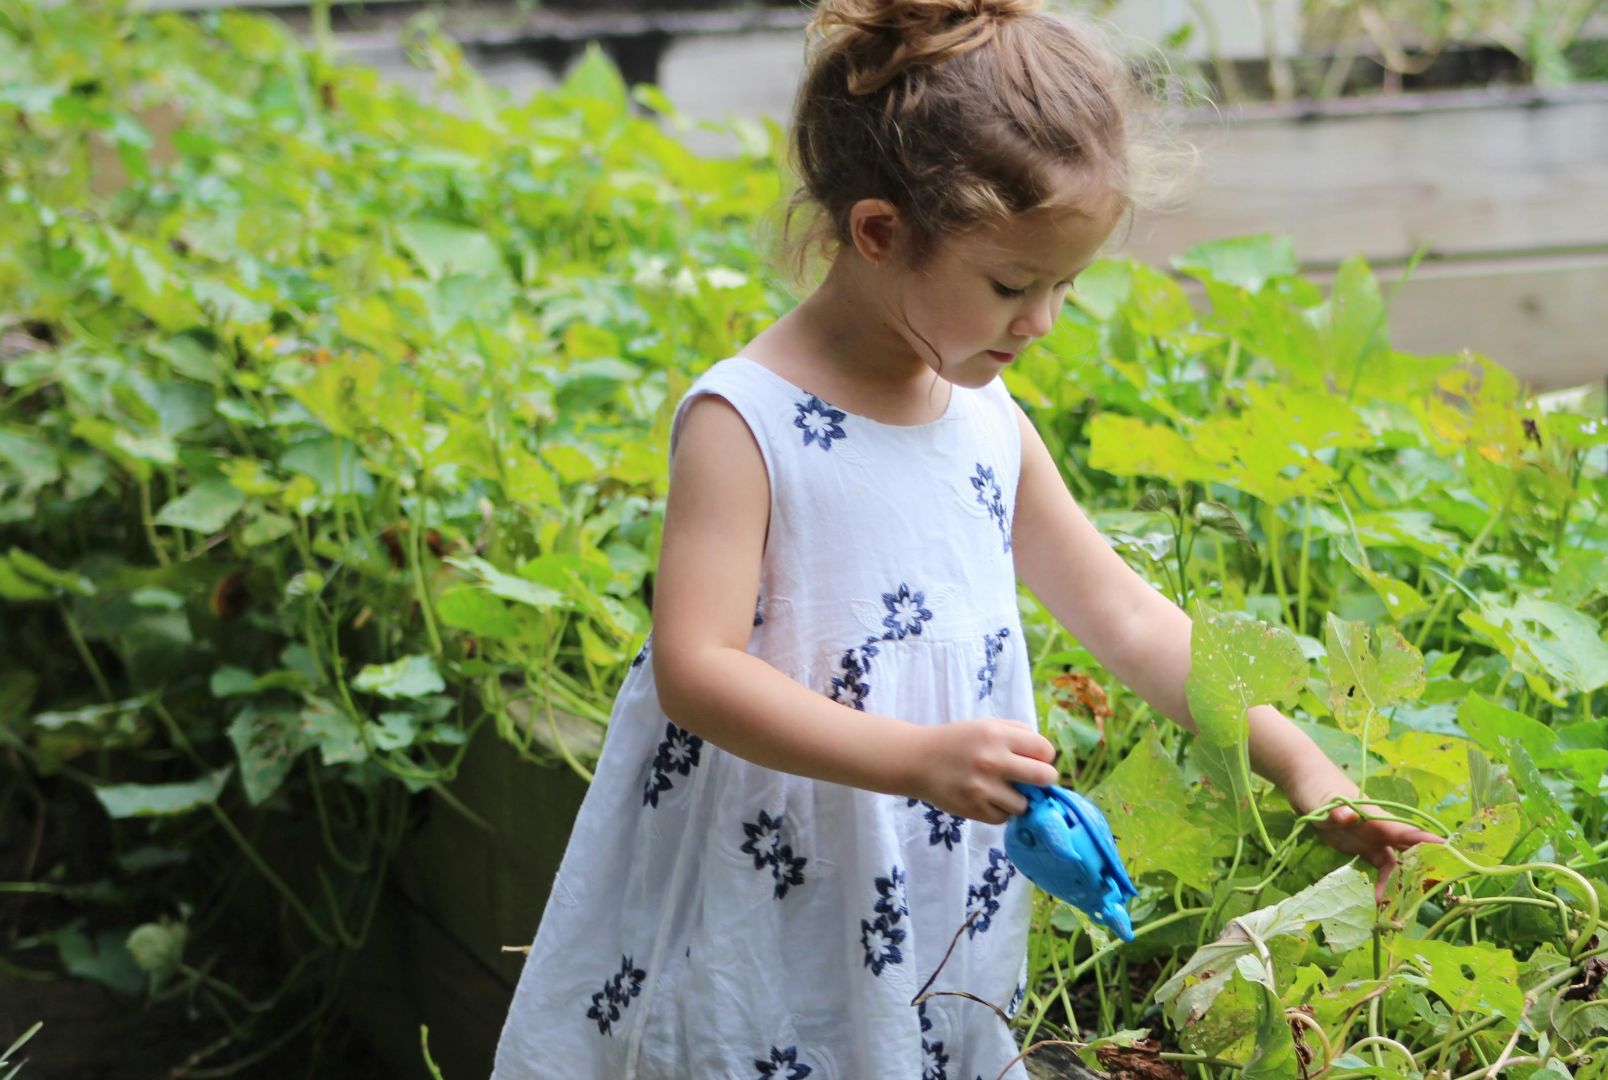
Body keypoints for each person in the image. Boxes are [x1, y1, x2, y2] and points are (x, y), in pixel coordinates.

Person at [491, 0, 1437, 1074]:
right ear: (880, 232)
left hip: (929, 875)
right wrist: (914, 759)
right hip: (774, 868)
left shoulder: (986, 424)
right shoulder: (745, 422)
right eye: (1010, 286)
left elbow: (1126, 617)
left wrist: (1303, 767)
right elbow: (694, 671)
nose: (1041, 323)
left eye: (1063, 286)